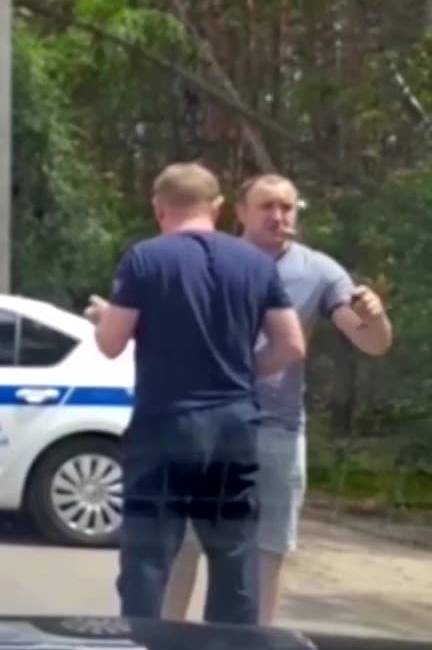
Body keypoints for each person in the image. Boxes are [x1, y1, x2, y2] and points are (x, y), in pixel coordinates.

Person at [161, 174, 392, 624]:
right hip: (205, 423)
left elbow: (370, 342)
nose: (278, 216)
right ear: (241, 213)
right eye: (266, 206)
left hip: (278, 429)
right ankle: (163, 642)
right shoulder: (207, 259)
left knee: (268, 548)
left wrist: (376, 318)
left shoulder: (319, 272)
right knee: (184, 542)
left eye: (287, 207)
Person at [85, 162, 304, 625]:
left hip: (165, 423)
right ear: (219, 207)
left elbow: (110, 344)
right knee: (234, 550)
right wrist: (245, 374)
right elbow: (292, 345)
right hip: (234, 424)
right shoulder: (256, 263)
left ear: (159, 208)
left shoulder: (145, 258)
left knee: (149, 553)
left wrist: (105, 316)